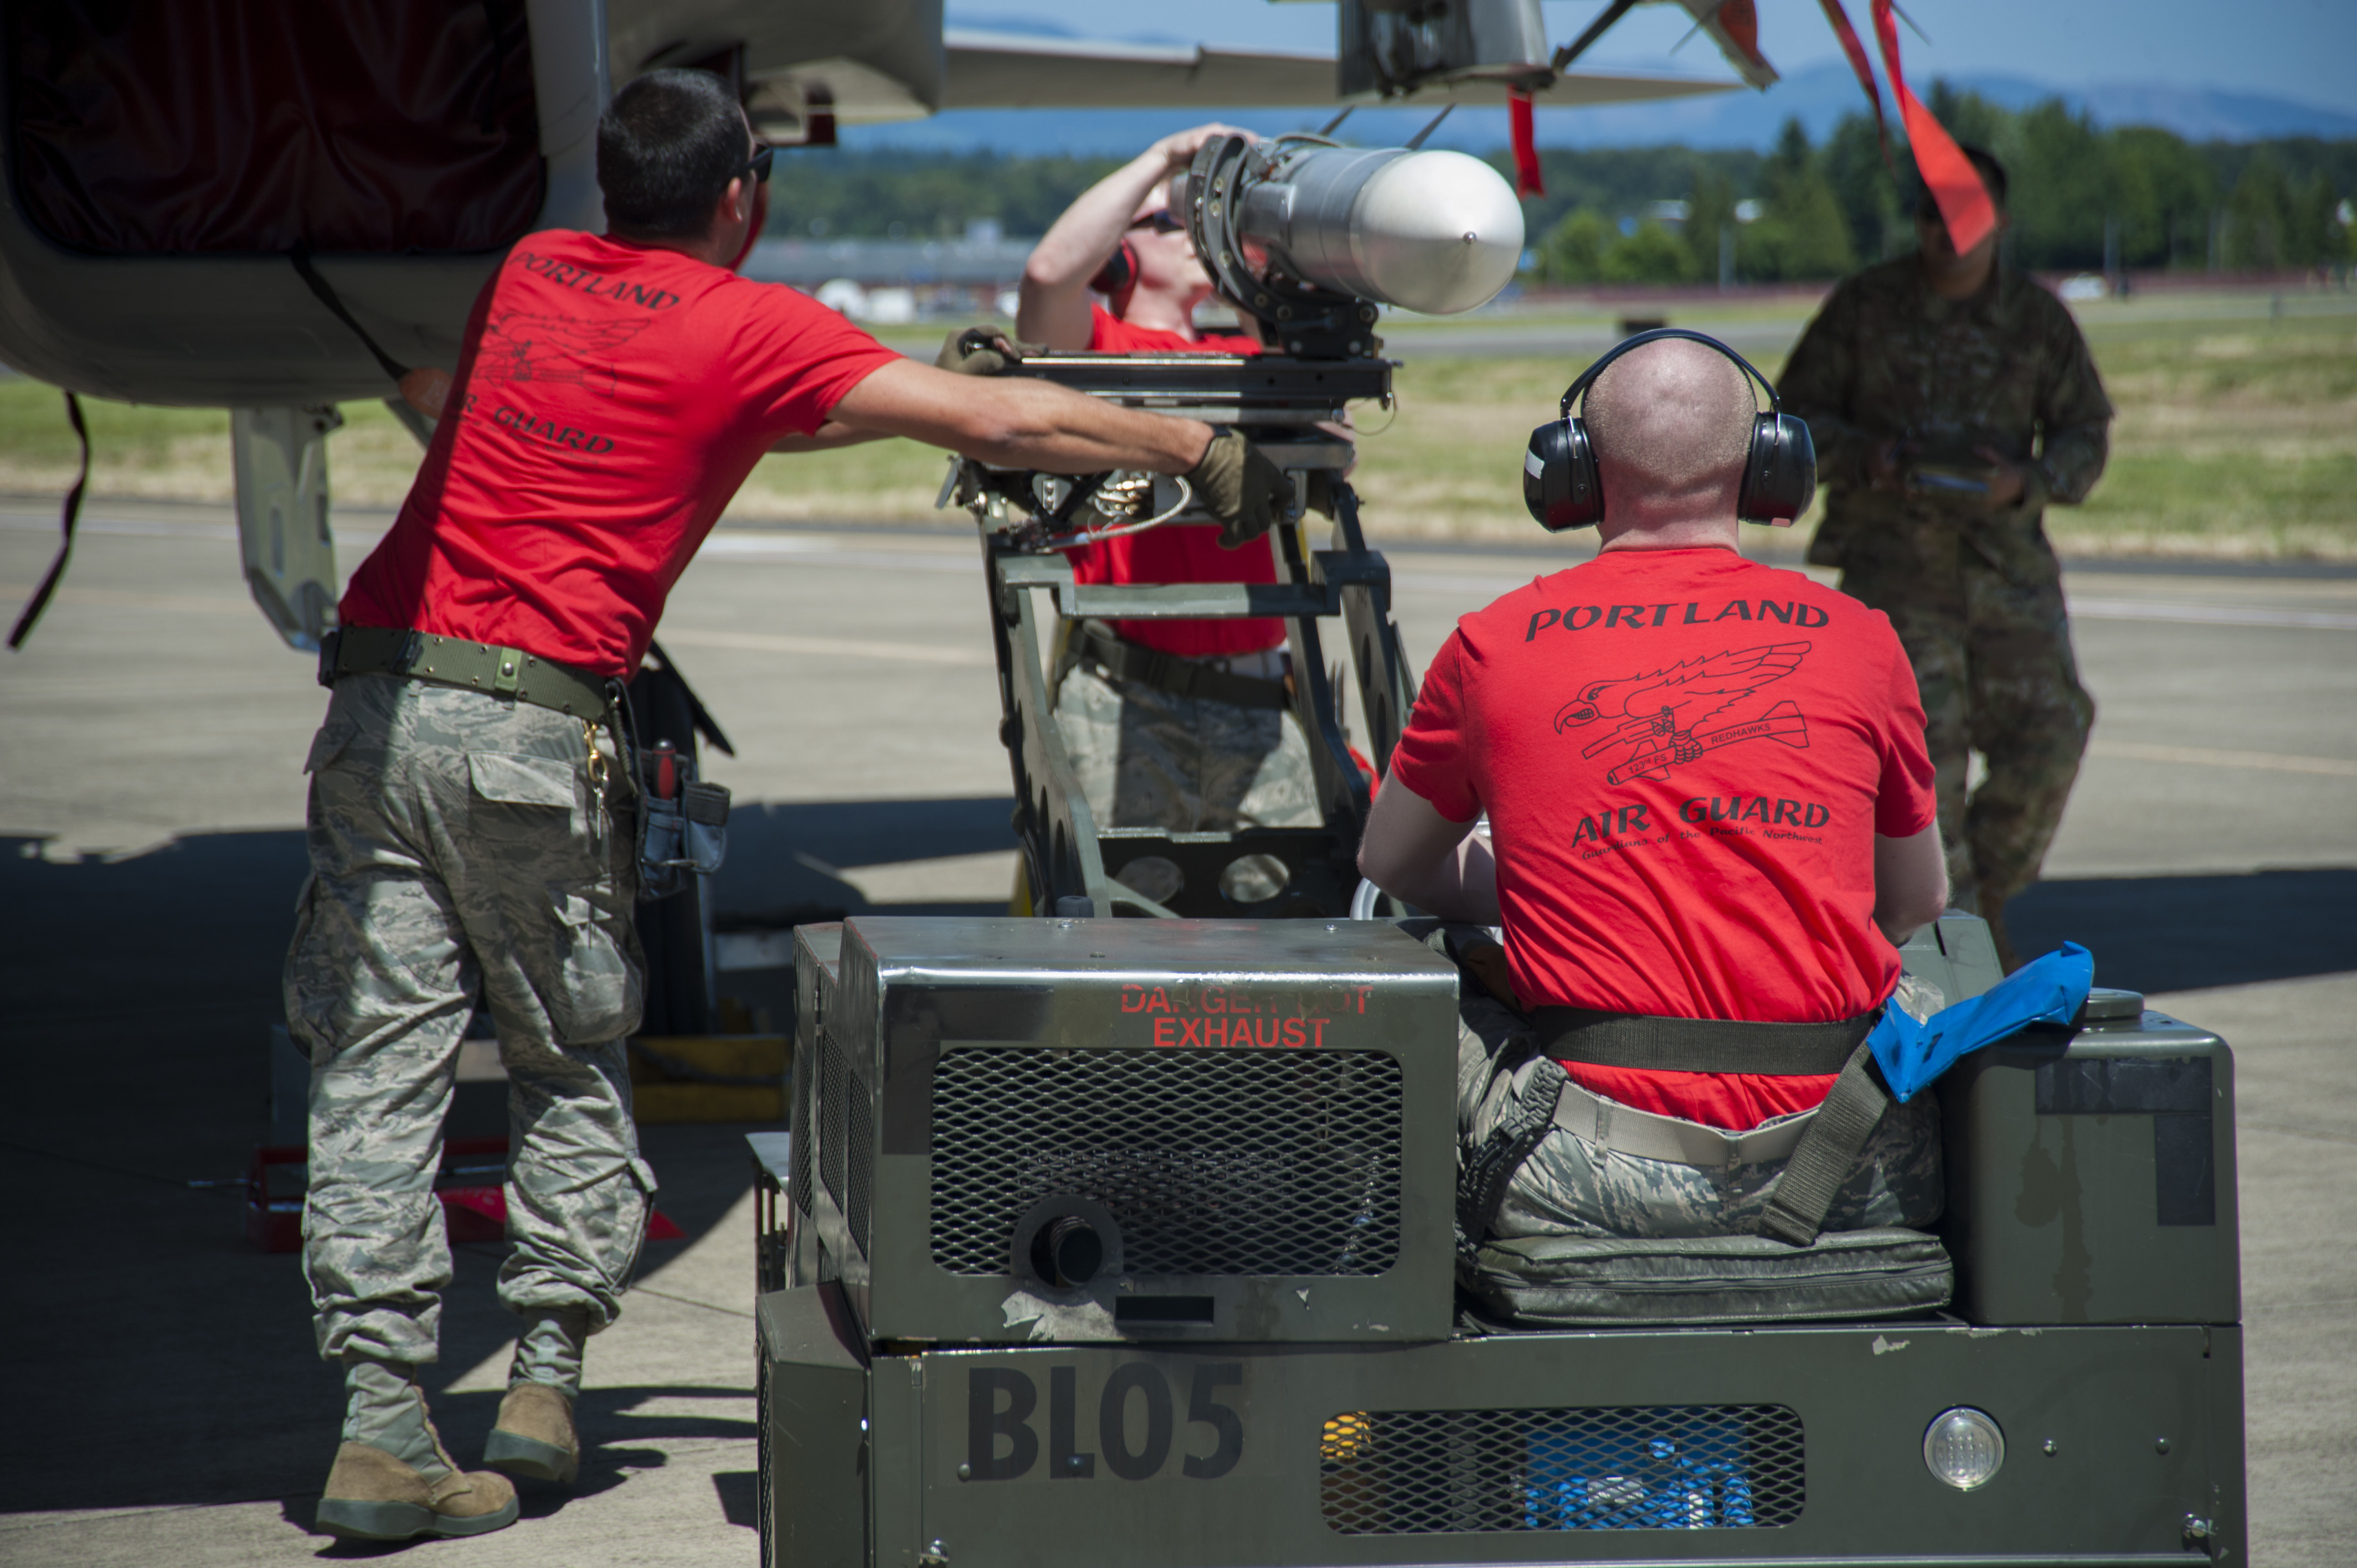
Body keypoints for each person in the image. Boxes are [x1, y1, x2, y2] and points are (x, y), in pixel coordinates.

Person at [290, 71, 1286, 1544]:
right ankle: (547, 1381)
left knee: (378, 1069)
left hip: (378, 711)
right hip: (524, 737)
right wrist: (1192, 451)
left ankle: (381, 1422)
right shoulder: (747, 321)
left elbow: (723, 416)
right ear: (742, 199)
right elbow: (996, 416)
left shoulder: (534, 269)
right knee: (564, 1057)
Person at [1357, 336, 1949, 1246]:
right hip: (1844, 1164)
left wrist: (1530, 884)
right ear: (1766, 468)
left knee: (1426, 958)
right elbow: (1914, 903)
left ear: (1575, 476)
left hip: (1587, 1173)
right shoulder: (1861, 638)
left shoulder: (1495, 643)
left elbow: (1391, 862)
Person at [1779, 147, 2112, 971]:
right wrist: (1871, 459)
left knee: (2054, 734)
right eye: (1930, 214)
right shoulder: (1866, 307)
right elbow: (1794, 419)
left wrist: (2024, 483)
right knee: (1925, 769)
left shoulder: (2036, 320)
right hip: (1899, 578)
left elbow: (2085, 433)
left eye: (1963, 216)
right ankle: (1954, 955)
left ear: (1996, 221)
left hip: (2007, 576)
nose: (1945, 233)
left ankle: (1981, 905)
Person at [1015, 125, 1321, 903]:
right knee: (1124, 922)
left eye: (1202, 220)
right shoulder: (1096, 352)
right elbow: (1049, 273)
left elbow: (1337, 446)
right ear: (1120, 252)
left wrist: (1254, 273)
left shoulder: (1257, 367)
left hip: (1259, 699)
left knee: (1289, 926)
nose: (1191, 233)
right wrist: (1158, 162)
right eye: (1168, 221)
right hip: (1128, 697)